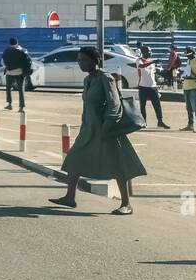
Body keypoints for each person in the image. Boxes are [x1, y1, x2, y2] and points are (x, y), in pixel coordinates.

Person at [51, 47, 147, 215]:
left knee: (117, 165)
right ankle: (70, 197)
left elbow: (114, 104)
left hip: (105, 130)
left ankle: (126, 204)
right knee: (75, 158)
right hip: (89, 128)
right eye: (79, 60)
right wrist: (84, 125)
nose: (81, 63)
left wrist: (107, 126)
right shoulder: (88, 80)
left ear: (96, 61)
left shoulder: (106, 78)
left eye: (84, 60)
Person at [134, 45, 169, 129]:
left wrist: (159, 71)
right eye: (148, 52)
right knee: (143, 105)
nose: (150, 54)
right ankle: (144, 122)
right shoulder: (139, 60)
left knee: (157, 105)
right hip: (143, 86)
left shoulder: (150, 61)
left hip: (153, 86)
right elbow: (142, 66)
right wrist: (152, 62)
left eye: (150, 52)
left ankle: (160, 121)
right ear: (143, 53)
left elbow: (151, 72)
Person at [1, 38, 31, 110]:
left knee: (8, 88)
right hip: (20, 73)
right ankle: (21, 107)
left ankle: (9, 104)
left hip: (9, 73)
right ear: (17, 43)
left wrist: (8, 67)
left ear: (10, 43)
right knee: (21, 89)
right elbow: (28, 61)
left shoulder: (6, 51)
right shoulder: (23, 50)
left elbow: (2, 62)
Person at [181, 46, 196, 132]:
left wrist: (191, 78)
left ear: (193, 53)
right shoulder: (189, 61)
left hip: (194, 87)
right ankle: (190, 125)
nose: (187, 56)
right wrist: (183, 75)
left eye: (188, 54)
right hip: (186, 87)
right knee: (189, 108)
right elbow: (187, 73)